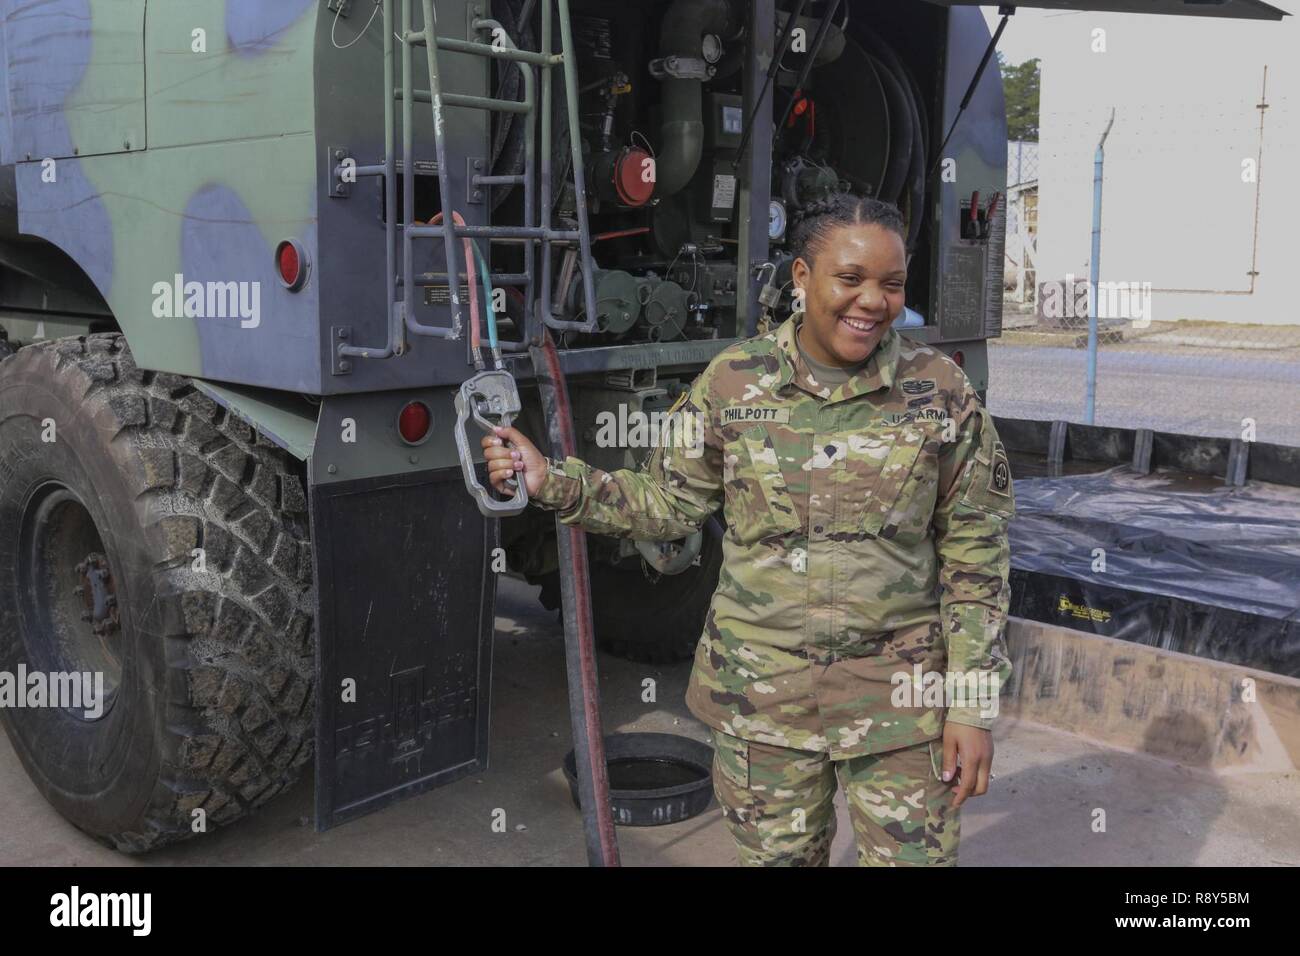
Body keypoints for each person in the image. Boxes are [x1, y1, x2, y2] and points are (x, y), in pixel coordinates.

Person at [482, 193, 1015, 867]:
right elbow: (665, 504)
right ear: (802, 278)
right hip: (763, 707)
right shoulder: (734, 383)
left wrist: (970, 708)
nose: (872, 301)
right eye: (850, 279)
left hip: (900, 709)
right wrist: (548, 479)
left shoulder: (939, 392)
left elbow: (979, 555)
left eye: (891, 284)